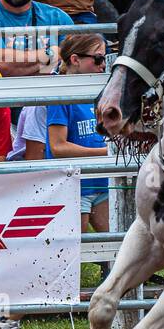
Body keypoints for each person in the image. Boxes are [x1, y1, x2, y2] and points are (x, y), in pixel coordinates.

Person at [47, 34, 110, 233]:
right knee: (75, 254)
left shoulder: (102, 91)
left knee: (115, 248)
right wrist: (105, 153)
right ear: (75, 60)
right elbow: (58, 147)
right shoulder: (60, 93)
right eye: (98, 59)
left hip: (103, 181)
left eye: (105, 59)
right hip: (75, 183)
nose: (103, 65)